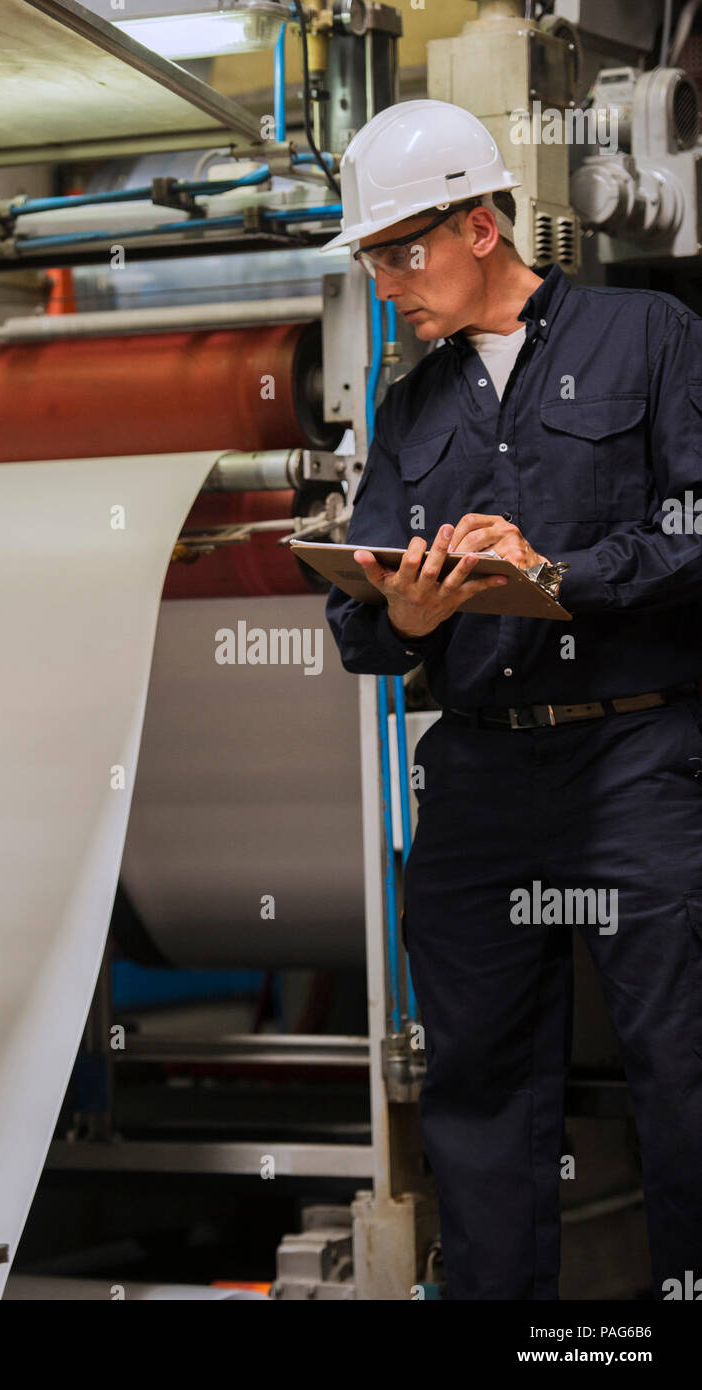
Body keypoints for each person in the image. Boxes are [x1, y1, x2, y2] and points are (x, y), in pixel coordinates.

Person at [323, 99, 702, 1300]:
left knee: (682, 1071)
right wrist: (406, 615)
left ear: (480, 223)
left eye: (401, 252)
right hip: (481, 775)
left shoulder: (651, 335)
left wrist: (560, 575)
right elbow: (363, 618)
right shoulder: (411, 405)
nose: (386, 283)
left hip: (639, 759)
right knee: (478, 1086)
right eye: (373, 258)